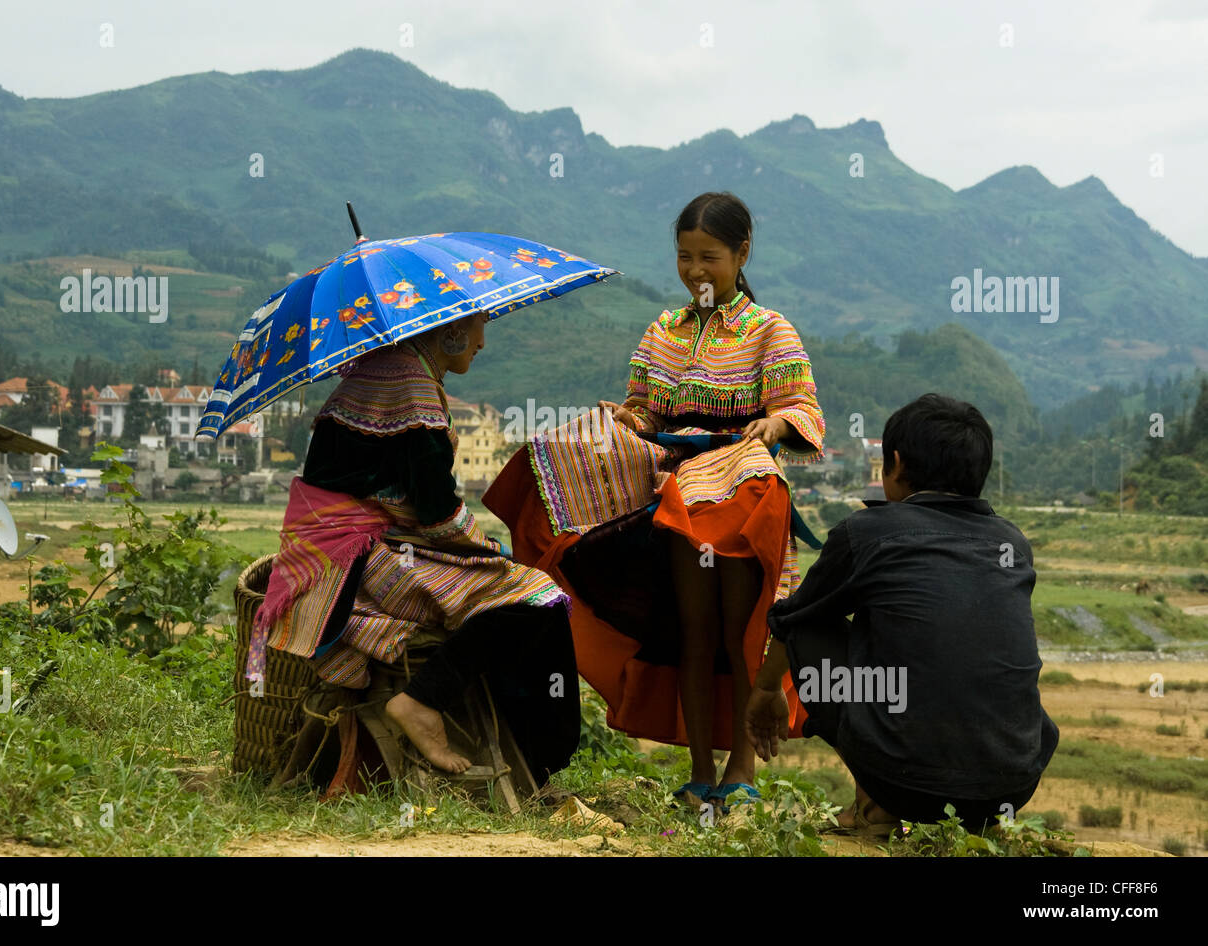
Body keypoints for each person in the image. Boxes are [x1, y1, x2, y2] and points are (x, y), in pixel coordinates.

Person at [483, 192, 825, 809]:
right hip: (675, 497)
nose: (696, 271)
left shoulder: (771, 330)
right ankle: (699, 769)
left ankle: (741, 773)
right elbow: (643, 408)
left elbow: (801, 408)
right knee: (693, 630)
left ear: (742, 253)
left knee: (738, 628)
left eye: (710, 258)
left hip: (742, 495)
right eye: (685, 257)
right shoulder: (661, 330)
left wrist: (772, 427)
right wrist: (627, 420)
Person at [248, 311, 580, 785]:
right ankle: (432, 706)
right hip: (359, 558)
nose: (482, 341)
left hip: (346, 546)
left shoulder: (385, 370)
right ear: (450, 329)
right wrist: (486, 547)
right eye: (479, 326)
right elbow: (435, 511)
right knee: (536, 597)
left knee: (518, 589)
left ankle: (525, 748)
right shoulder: (412, 388)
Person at [745, 394, 1059, 832]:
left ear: (894, 462)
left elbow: (796, 616)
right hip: (1011, 785)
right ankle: (948, 816)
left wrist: (765, 690)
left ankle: (875, 809)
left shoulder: (868, 531)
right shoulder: (1011, 543)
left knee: (811, 627)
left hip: (905, 781)